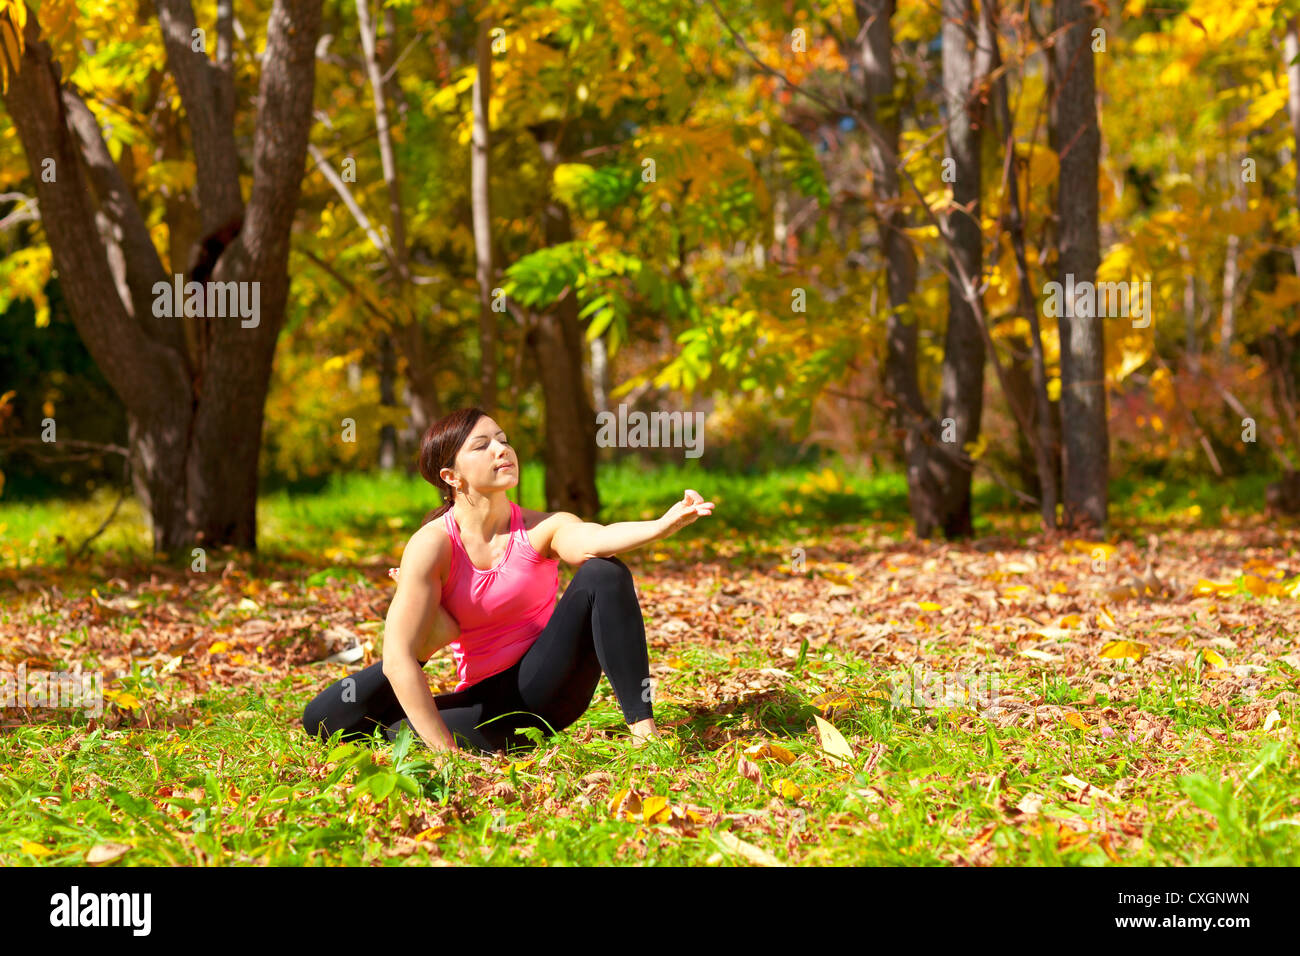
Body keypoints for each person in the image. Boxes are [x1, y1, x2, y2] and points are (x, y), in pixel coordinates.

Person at [301, 406, 714, 756]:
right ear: (451, 476)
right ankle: (433, 640)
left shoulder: (542, 527)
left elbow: (596, 538)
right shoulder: (431, 545)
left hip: (545, 686)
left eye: (503, 439)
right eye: (482, 446)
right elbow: (396, 660)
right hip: (484, 706)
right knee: (327, 718)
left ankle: (644, 734)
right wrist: (446, 757)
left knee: (603, 571)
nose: (503, 449)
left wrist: (661, 526)